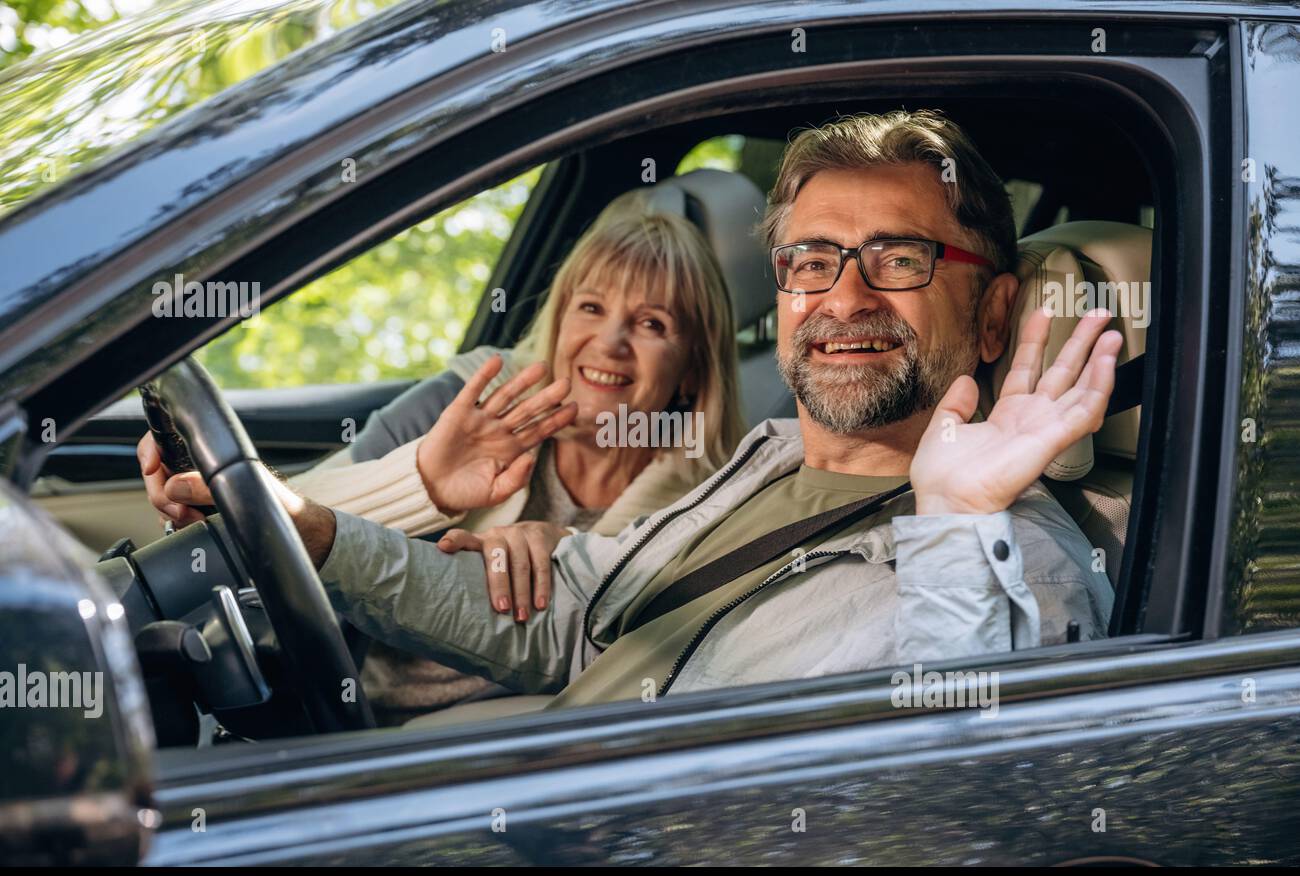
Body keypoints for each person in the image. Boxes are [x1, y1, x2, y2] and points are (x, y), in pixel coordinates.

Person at [156, 109, 1119, 714]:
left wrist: (954, 517)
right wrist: (313, 529)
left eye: (900, 259)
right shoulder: (770, 455)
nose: (845, 299)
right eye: (811, 261)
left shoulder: (1015, 553)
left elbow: (944, 804)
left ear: (994, 316)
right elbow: (569, 619)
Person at [138, 192, 744, 722]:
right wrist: (422, 482)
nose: (609, 342)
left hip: (448, 760)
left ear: (693, 366)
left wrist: (577, 560)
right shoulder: (471, 399)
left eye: (651, 324)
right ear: (558, 321)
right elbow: (297, 514)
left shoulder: (712, 507)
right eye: (590, 307)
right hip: (318, 697)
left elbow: (640, 678)